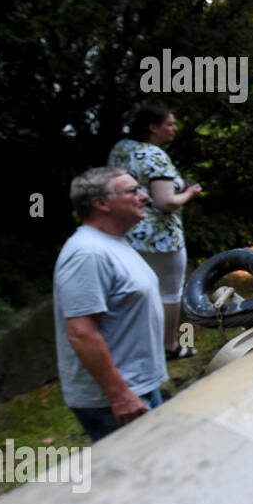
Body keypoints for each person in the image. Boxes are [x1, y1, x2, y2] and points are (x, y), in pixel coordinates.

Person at [54, 167, 168, 443]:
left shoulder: (114, 243)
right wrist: (120, 395)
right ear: (101, 203)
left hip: (138, 387)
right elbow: (81, 332)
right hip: (114, 399)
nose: (144, 196)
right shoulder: (87, 253)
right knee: (139, 478)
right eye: (132, 191)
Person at [108, 104, 203, 360]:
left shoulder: (121, 149)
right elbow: (165, 202)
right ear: (153, 127)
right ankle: (168, 347)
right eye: (169, 124)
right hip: (159, 238)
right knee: (169, 293)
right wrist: (189, 194)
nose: (174, 129)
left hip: (125, 231)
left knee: (135, 290)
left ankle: (133, 347)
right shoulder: (155, 156)